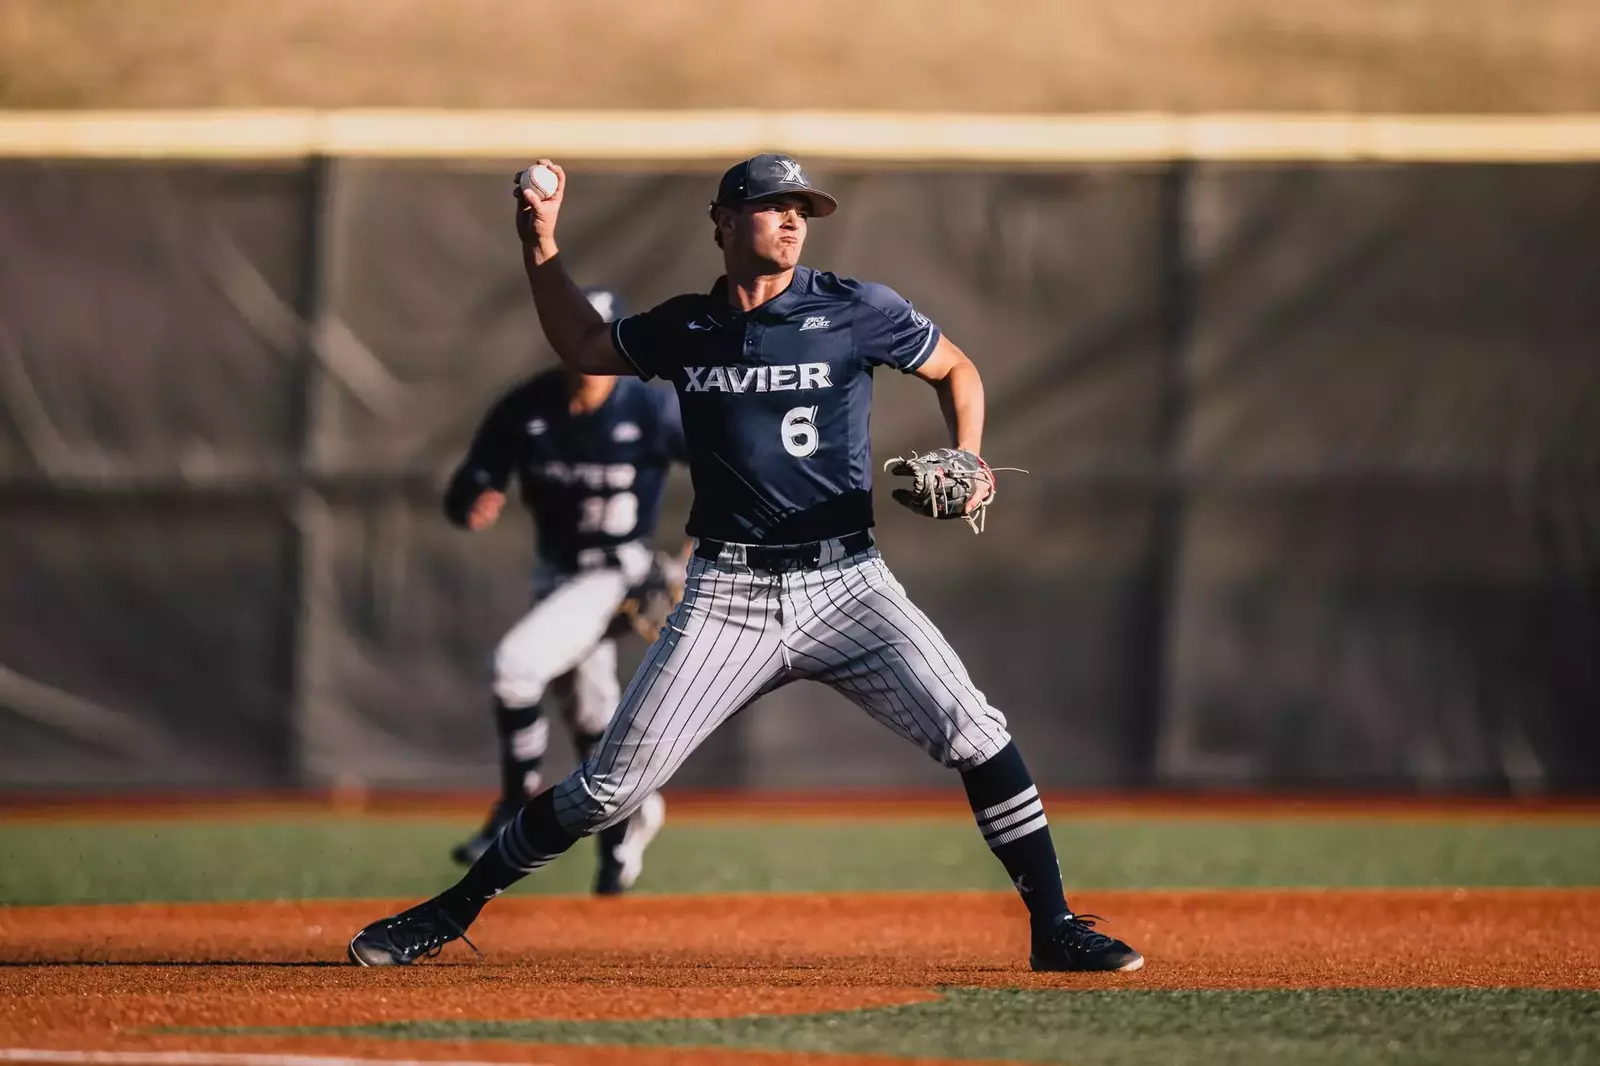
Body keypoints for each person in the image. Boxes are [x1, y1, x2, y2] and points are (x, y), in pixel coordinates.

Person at [347, 154, 1143, 973]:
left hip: (849, 584)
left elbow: (956, 368)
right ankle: (448, 911)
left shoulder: (853, 307)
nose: (793, 219)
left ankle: (1054, 925)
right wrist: (539, 239)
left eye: (802, 207)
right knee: (608, 791)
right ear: (724, 223)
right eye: (771, 206)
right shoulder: (687, 327)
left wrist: (969, 456)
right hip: (729, 594)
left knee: (977, 732)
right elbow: (582, 342)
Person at [442, 287, 685, 895]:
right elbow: (471, 479)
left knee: (514, 669)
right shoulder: (527, 407)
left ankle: (513, 810)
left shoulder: (649, 408)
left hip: (619, 574)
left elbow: (727, 469)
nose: (588, 353)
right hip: (556, 575)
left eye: (601, 337)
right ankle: (633, 814)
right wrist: (473, 497)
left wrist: (690, 557)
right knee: (587, 712)